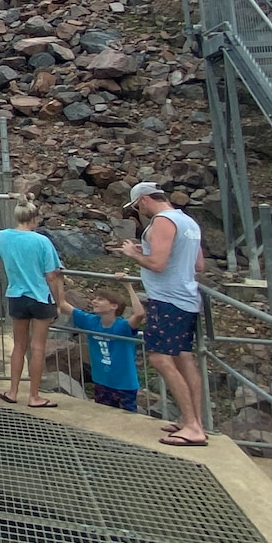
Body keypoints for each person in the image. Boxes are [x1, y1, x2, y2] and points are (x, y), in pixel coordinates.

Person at [113, 181, 208, 445]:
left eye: (136, 207)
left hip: (167, 299)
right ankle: (193, 421)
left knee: (159, 358)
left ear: (144, 200)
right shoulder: (188, 221)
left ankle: (192, 426)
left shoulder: (163, 221)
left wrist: (133, 254)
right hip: (187, 299)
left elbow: (157, 263)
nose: (138, 212)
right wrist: (147, 250)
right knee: (183, 358)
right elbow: (199, 265)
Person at [0, 201, 64, 408]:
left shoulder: (1, 237)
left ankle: (12, 391)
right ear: (34, 219)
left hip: (16, 296)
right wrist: (58, 302)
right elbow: (52, 275)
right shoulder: (42, 241)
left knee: (19, 345)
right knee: (38, 347)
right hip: (40, 297)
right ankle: (34, 396)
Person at [56, 279, 145, 411]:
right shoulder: (90, 321)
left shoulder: (123, 326)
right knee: (103, 416)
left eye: (100, 299)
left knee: (127, 419)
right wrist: (57, 278)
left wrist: (128, 286)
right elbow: (62, 304)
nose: (94, 301)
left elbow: (139, 314)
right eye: (95, 298)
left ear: (114, 306)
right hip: (101, 382)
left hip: (124, 384)